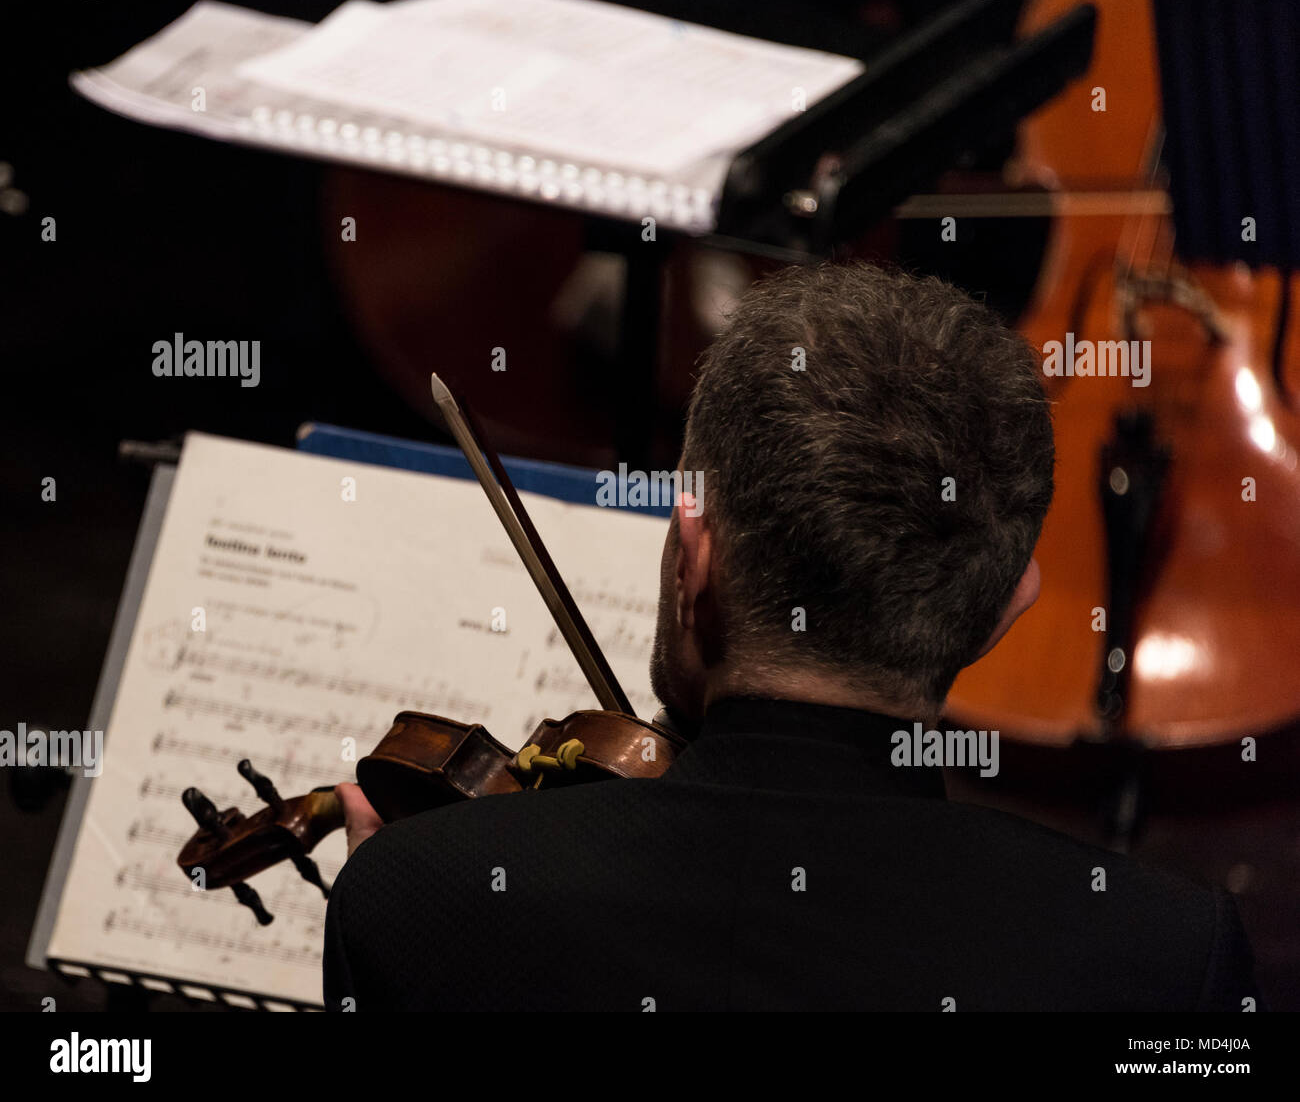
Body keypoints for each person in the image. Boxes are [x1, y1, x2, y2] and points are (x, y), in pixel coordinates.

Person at [323, 261, 1258, 1011]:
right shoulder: (1164, 958)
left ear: (694, 555)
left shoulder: (423, 901)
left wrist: (399, 915)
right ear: (1006, 603)